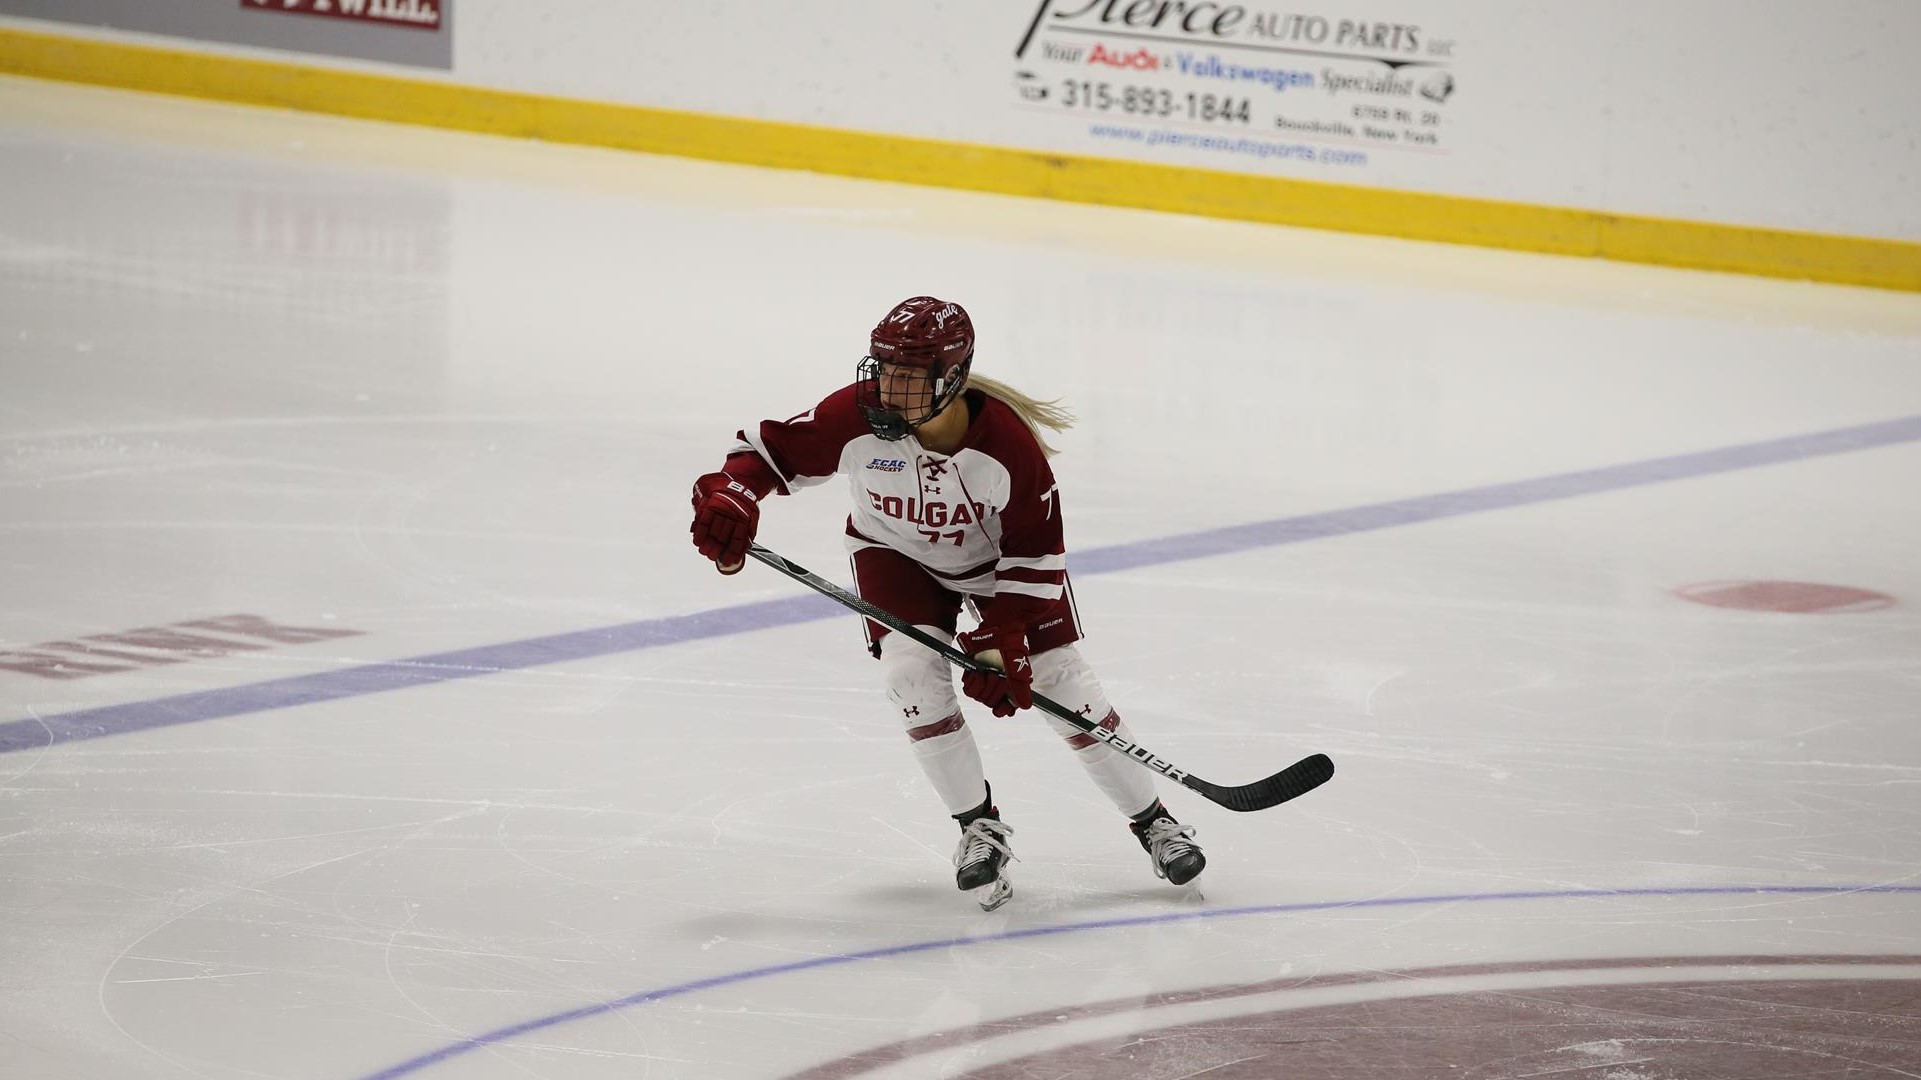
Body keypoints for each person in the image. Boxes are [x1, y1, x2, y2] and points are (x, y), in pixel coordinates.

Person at [688, 296, 1204, 910]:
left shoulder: (1009, 450)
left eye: (910, 376)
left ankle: (1154, 823)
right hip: (895, 556)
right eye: (883, 369)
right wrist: (732, 496)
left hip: (998, 572)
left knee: (1061, 683)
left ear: (952, 379)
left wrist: (1003, 644)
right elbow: (768, 453)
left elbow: (1036, 560)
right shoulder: (856, 414)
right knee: (911, 675)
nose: (889, 387)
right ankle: (977, 826)